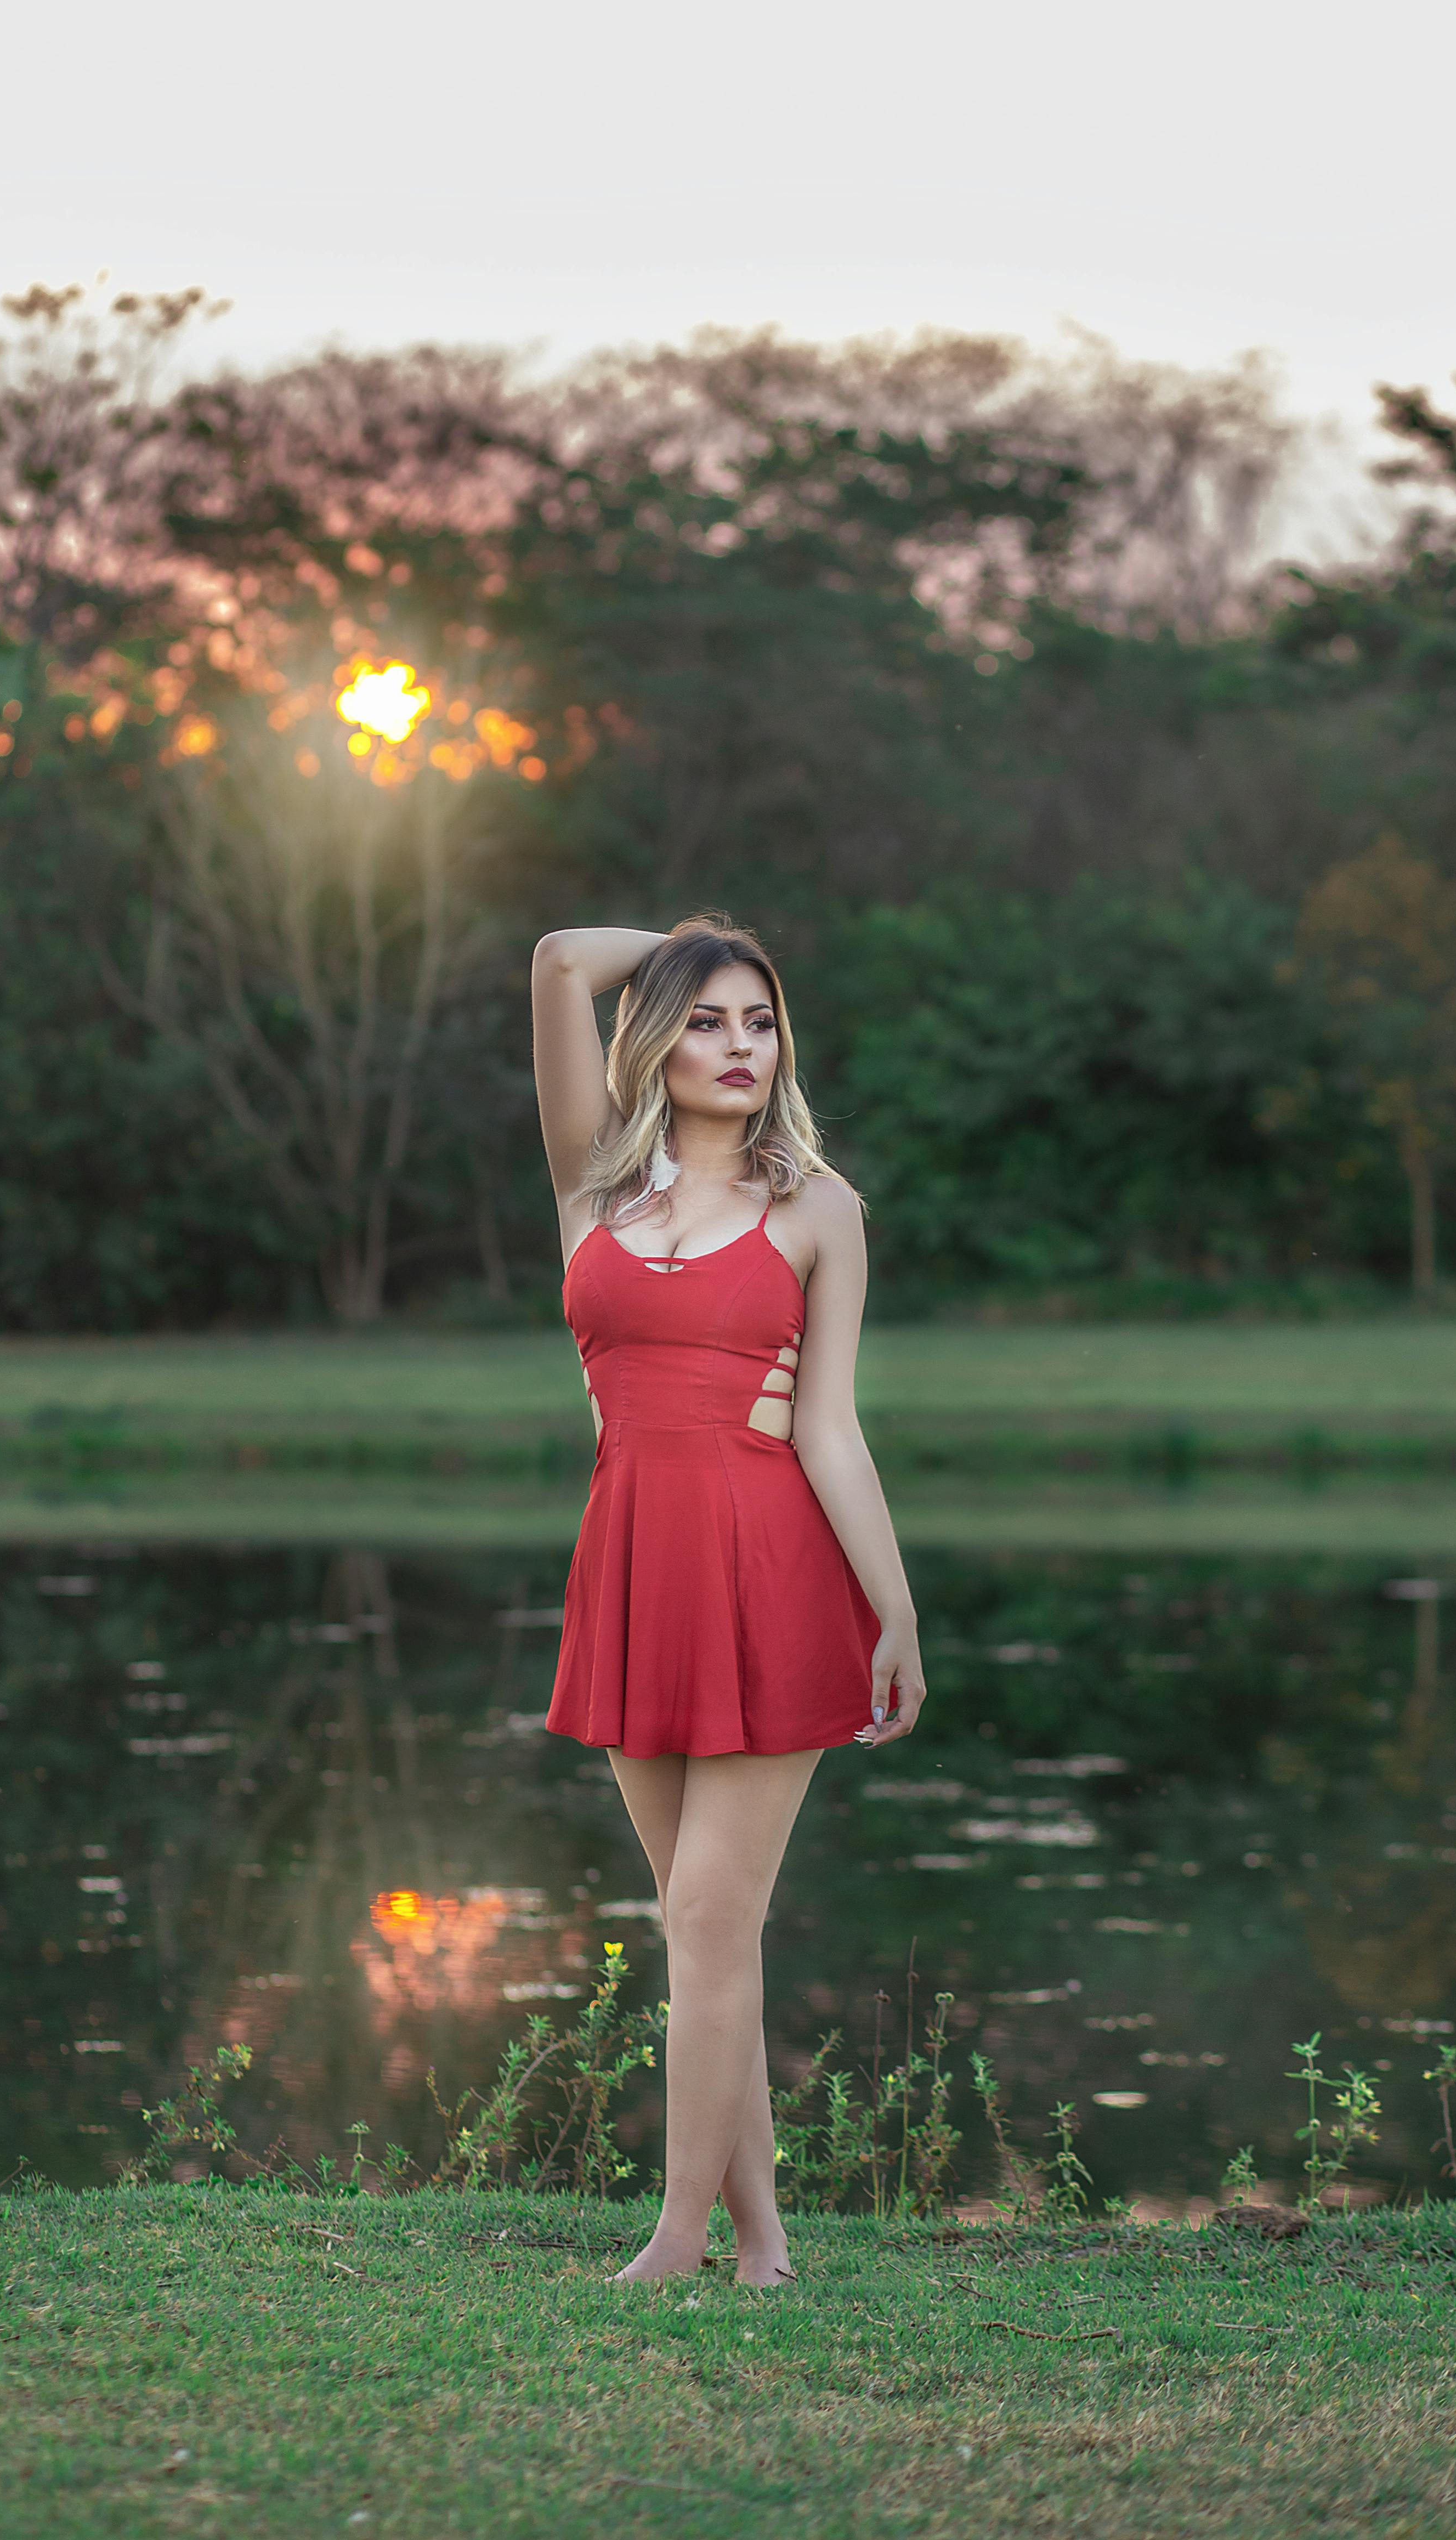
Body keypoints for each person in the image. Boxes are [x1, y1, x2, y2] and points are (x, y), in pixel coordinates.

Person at [531, 914, 925, 2286]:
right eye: (708, 1019)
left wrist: (897, 1613)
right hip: (633, 1569)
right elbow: (559, 961)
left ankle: (677, 2239)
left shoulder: (819, 1209)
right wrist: (692, 947)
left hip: (772, 1574)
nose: (740, 1044)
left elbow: (832, 1432)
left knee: (705, 1924)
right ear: (656, 1038)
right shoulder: (597, 1188)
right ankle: (763, 2247)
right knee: (711, 1933)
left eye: (759, 1021)